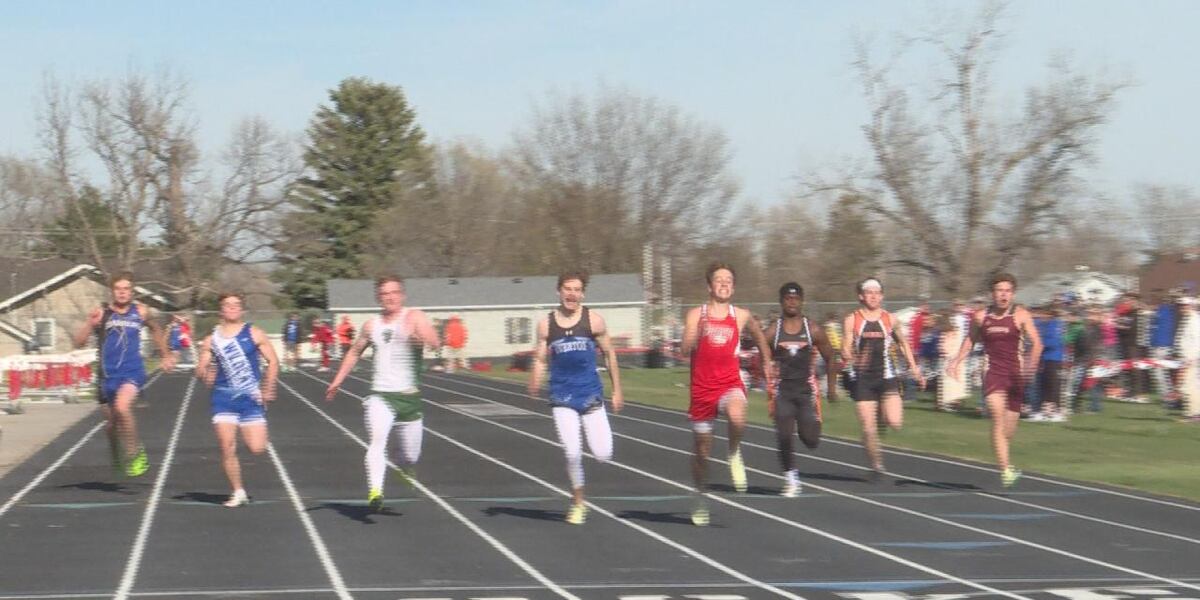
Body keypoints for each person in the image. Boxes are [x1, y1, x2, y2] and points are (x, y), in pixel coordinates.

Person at [325, 275, 440, 511]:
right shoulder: (371, 325)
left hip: (409, 397)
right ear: (378, 297)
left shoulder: (414, 316)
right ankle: (375, 492)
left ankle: (403, 467)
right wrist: (337, 381)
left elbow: (435, 341)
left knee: (410, 457)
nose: (389, 297)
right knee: (377, 442)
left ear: (402, 295)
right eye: (384, 293)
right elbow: (355, 352)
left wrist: (423, 338)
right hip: (381, 395)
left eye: (394, 292)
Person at [527, 272, 624, 524]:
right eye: (567, 289)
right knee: (572, 452)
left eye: (577, 289)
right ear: (559, 291)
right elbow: (539, 357)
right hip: (561, 394)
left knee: (603, 455)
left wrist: (617, 390)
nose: (572, 294)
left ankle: (583, 490)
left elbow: (609, 353)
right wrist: (535, 379)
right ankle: (578, 502)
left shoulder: (594, 321)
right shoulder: (546, 325)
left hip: (590, 393)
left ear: (583, 294)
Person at [681, 262, 773, 526]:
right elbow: (685, 350)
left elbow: (758, 335)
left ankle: (733, 452)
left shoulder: (741, 315)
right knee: (701, 452)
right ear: (710, 286)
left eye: (729, 280)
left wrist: (767, 360)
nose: (724, 283)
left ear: (733, 286)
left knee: (737, 415)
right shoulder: (696, 314)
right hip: (701, 390)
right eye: (719, 280)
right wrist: (693, 337)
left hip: (728, 383)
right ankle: (699, 496)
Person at [72, 271, 174, 477]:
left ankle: (135, 453)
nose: (122, 293)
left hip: (132, 371)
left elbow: (155, 330)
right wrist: (90, 324)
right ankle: (115, 451)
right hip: (107, 375)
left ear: (132, 291)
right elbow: (79, 342)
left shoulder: (141, 312)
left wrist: (165, 354)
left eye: (126, 289)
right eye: (118, 289)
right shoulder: (102, 313)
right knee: (111, 426)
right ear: (112, 291)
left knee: (122, 407)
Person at [948, 273, 1043, 487]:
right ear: (992, 293)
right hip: (993, 373)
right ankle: (1006, 470)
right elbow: (970, 340)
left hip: (1016, 375)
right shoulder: (981, 317)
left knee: (1007, 431)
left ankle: (1003, 459)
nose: (1003, 294)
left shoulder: (1021, 315)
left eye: (1008, 291)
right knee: (997, 419)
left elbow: (1037, 344)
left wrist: (1031, 364)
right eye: (1000, 290)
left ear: (1013, 293)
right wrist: (956, 361)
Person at [194, 293, 279, 507]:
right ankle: (238, 490)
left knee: (257, 448)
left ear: (242, 310)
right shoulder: (211, 340)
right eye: (227, 305)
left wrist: (268, 387)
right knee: (226, 445)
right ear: (221, 310)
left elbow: (273, 361)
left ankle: (252, 432)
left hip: (250, 397)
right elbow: (201, 370)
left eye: (236, 305)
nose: (231, 308)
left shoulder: (254, 333)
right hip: (223, 398)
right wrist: (206, 370)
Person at [840, 278, 923, 480]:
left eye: (877, 292)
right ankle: (876, 465)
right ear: (861, 296)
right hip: (863, 379)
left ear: (882, 296)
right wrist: (850, 356)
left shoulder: (890, 319)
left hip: (886, 376)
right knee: (868, 428)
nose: (874, 295)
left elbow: (903, 344)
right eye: (869, 292)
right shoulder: (852, 319)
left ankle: (882, 417)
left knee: (895, 422)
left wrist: (915, 369)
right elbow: (844, 347)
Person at [765, 282, 838, 497]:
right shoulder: (773, 332)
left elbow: (831, 357)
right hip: (783, 392)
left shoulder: (813, 329)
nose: (792, 302)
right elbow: (759, 351)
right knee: (784, 435)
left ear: (802, 302)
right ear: (781, 302)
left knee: (811, 440)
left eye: (796, 299)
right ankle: (791, 478)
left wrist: (831, 388)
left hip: (806, 392)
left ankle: (810, 423)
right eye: (787, 298)